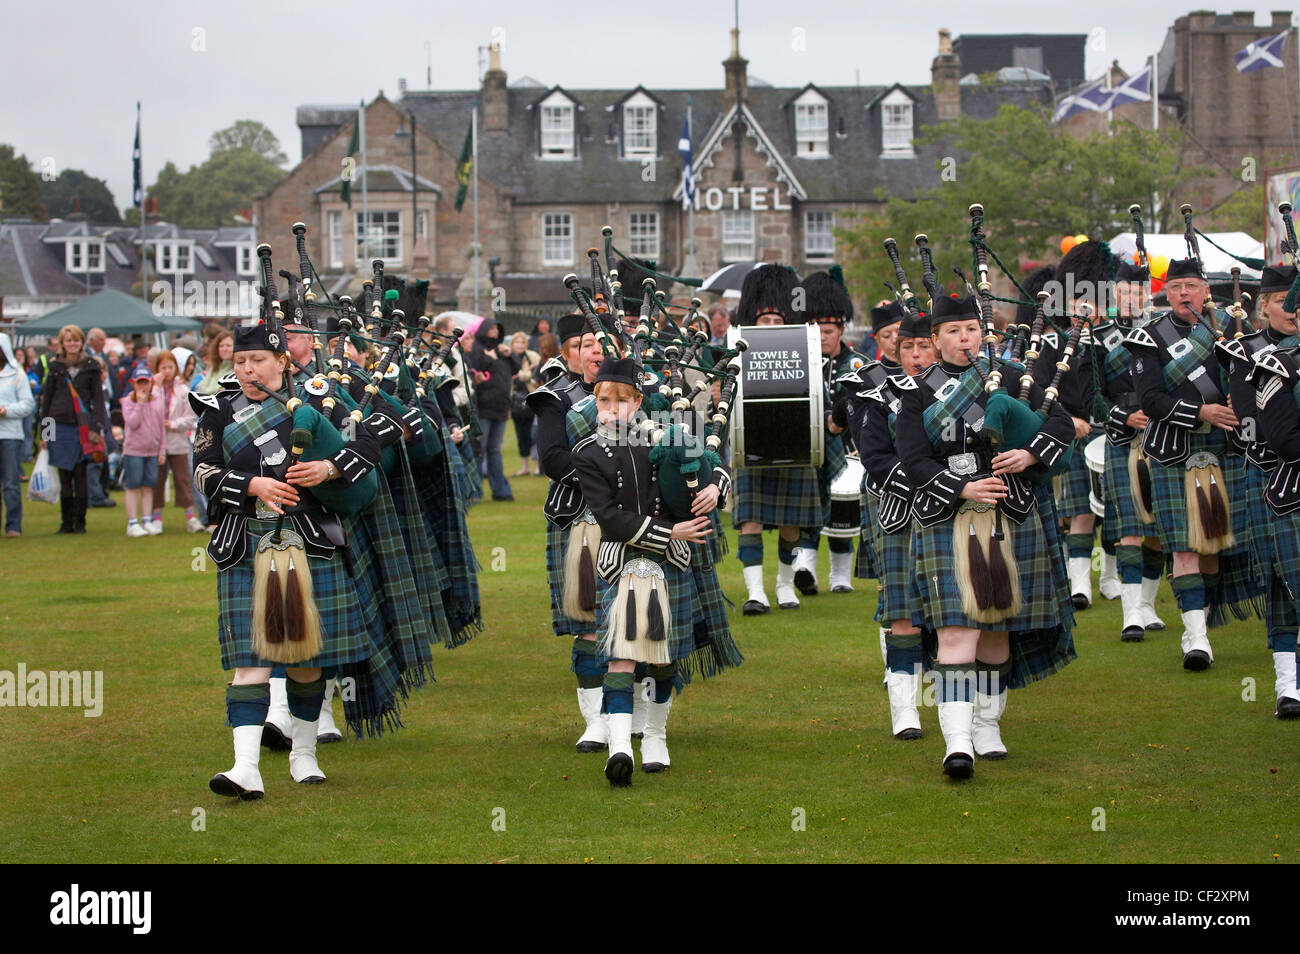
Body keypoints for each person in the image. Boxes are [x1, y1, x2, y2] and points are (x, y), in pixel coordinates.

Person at [191, 316, 395, 800]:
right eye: (239, 361)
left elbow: (372, 437)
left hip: (308, 542)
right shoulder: (217, 410)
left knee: (305, 662)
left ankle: (304, 754)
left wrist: (329, 466)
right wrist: (251, 484)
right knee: (249, 662)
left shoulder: (319, 398)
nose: (246, 370)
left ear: (282, 361)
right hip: (246, 542)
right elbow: (202, 471)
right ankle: (245, 768)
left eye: (257, 360)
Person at [896, 293, 1076, 778]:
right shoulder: (916, 394)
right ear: (934, 341)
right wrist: (962, 486)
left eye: (971, 330)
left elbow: (1060, 424)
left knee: (995, 630)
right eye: (952, 332)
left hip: (1010, 513)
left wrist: (1032, 454)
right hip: (946, 518)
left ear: (983, 333)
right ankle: (957, 743)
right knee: (957, 631)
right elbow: (913, 461)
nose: (964, 339)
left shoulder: (1015, 377)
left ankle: (987, 725)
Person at [571, 355, 742, 786]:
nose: (612, 409)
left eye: (622, 400)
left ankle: (655, 735)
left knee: (664, 660)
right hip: (622, 560)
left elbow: (710, 459)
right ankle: (619, 748)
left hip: (672, 565)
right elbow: (608, 517)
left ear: (639, 401)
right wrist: (672, 531)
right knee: (621, 654)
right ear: (595, 401)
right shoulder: (588, 453)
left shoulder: (663, 436)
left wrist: (714, 486)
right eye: (604, 400)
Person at [1126, 255, 1260, 671]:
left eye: (1191, 286)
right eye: (1176, 287)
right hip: (1173, 451)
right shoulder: (1148, 338)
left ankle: (1198, 619)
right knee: (1184, 547)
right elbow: (1149, 399)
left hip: (1226, 449)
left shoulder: (1232, 333)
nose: (1183, 293)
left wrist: (1243, 400)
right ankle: (1196, 639)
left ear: (1206, 292)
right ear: (1167, 294)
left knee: (1214, 547)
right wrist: (1201, 412)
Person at [732, 264, 846, 613]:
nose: (770, 327)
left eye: (776, 321)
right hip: (751, 445)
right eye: (763, 321)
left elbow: (819, 406)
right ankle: (755, 592)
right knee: (749, 520)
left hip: (795, 445)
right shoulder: (736, 351)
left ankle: (784, 584)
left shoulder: (805, 351)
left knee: (791, 526)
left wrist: (835, 420)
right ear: (753, 320)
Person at [527, 314, 611, 752]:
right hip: (579, 518)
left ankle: (627, 712)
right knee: (589, 621)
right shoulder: (554, 397)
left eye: (599, 344)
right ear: (568, 353)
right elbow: (554, 460)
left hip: (632, 518)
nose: (592, 352)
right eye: (582, 345)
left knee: (634, 617)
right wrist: (608, 476)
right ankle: (595, 721)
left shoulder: (640, 393)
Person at [857, 311, 935, 738]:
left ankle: (964, 718)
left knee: (952, 612)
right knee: (903, 608)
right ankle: (905, 711)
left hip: (953, 514)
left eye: (924, 345)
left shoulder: (959, 392)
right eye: (908, 347)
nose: (916, 354)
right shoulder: (879, 394)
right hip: (900, 510)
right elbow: (875, 457)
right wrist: (928, 482)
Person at [1225, 263, 1299, 717]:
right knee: (1279, 580)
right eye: (1285, 302)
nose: (1292, 311)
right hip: (1270, 472)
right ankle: (1287, 685)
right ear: (1265, 306)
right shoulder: (1248, 352)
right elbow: (1250, 422)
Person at [1032, 241, 1112, 610]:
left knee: (1116, 513)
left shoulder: (1115, 340)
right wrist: (1070, 421)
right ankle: (1079, 584)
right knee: (1079, 512)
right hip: (1073, 434)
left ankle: (1111, 576)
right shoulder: (1051, 342)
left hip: (1114, 434)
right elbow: (1039, 391)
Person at [1097, 260, 1167, 640]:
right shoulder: (1098, 336)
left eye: (1140, 291)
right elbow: (1090, 396)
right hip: (1122, 438)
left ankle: (1148, 605)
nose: (1132, 297)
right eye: (1126, 291)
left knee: (1156, 529)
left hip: (1162, 434)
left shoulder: (1163, 333)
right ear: (1114, 293)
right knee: (1128, 528)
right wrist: (1122, 415)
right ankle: (1130, 614)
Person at [793, 269, 869, 595]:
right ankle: (804, 568)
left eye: (827, 331)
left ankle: (840, 576)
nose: (821, 337)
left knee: (842, 512)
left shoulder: (859, 364)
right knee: (809, 511)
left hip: (848, 450)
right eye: (815, 330)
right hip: (809, 447)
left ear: (840, 329)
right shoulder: (798, 362)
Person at [38, 324, 104, 534]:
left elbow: (98, 401)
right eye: (68, 340)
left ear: (81, 342)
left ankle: (80, 523)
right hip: (59, 426)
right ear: (62, 343)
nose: (72, 343)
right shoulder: (55, 366)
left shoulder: (92, 366)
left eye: (75, 340)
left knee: (80, 473)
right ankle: (66, 523)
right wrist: (45, 434)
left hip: (83, 427)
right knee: (65, 474)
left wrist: (96, 427)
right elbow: (47, 401)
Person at [149, 349, 200, 532]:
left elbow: (189, 418)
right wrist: (156, 386)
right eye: (163, 367)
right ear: (157, 369)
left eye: (170, 367)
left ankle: (190, 518)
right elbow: (150, 410)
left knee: (183, 479)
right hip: (156, 442)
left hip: (177, 441)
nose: (167, 371)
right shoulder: (152, 389)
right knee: (157, 479)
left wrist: (173, 423)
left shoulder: (182, 389)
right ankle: (156, 518)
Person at [469, 318, 520, 501]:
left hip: (501, 406)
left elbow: (516, 368)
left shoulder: (500, 349)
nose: (495, 332)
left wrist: (509, 354)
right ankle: (474, 491)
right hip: (483, 407)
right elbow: (474, 367)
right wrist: (489, 359)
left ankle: (500, 490)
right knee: (480, 450)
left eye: (496, 329)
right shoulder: (477, 348)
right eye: (491, 329)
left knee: (494, 451)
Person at [119, 365, 166, 537]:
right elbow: (132, 423)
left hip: (152, 451)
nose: (143, 387)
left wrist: (162, 450)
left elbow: (161, 427)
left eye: (145, 383)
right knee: (133, 486)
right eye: (139, 383)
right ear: (133, 384)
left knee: (148, 487)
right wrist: (139, 404)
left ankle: (147, 519)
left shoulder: (156, 401)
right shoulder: (128, 402)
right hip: (134, 451)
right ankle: (132, 523)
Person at [0, 333, 34, 537]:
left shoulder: (17, 375)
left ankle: (13, 525)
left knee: (11, 482)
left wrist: (6, 410)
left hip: (10, 435)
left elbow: (28, 405)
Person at [508, 331, 541, 477]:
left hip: (531, 398)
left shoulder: (532, 356)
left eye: (522, 342)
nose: (520, 345)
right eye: (517, 342)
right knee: (520, 435)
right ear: (512, 344)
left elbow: (538, 373)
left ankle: (537, 467)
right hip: (515, 399)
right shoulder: (509, 358)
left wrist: (522, 375)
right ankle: (525, 467)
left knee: (532, 434)